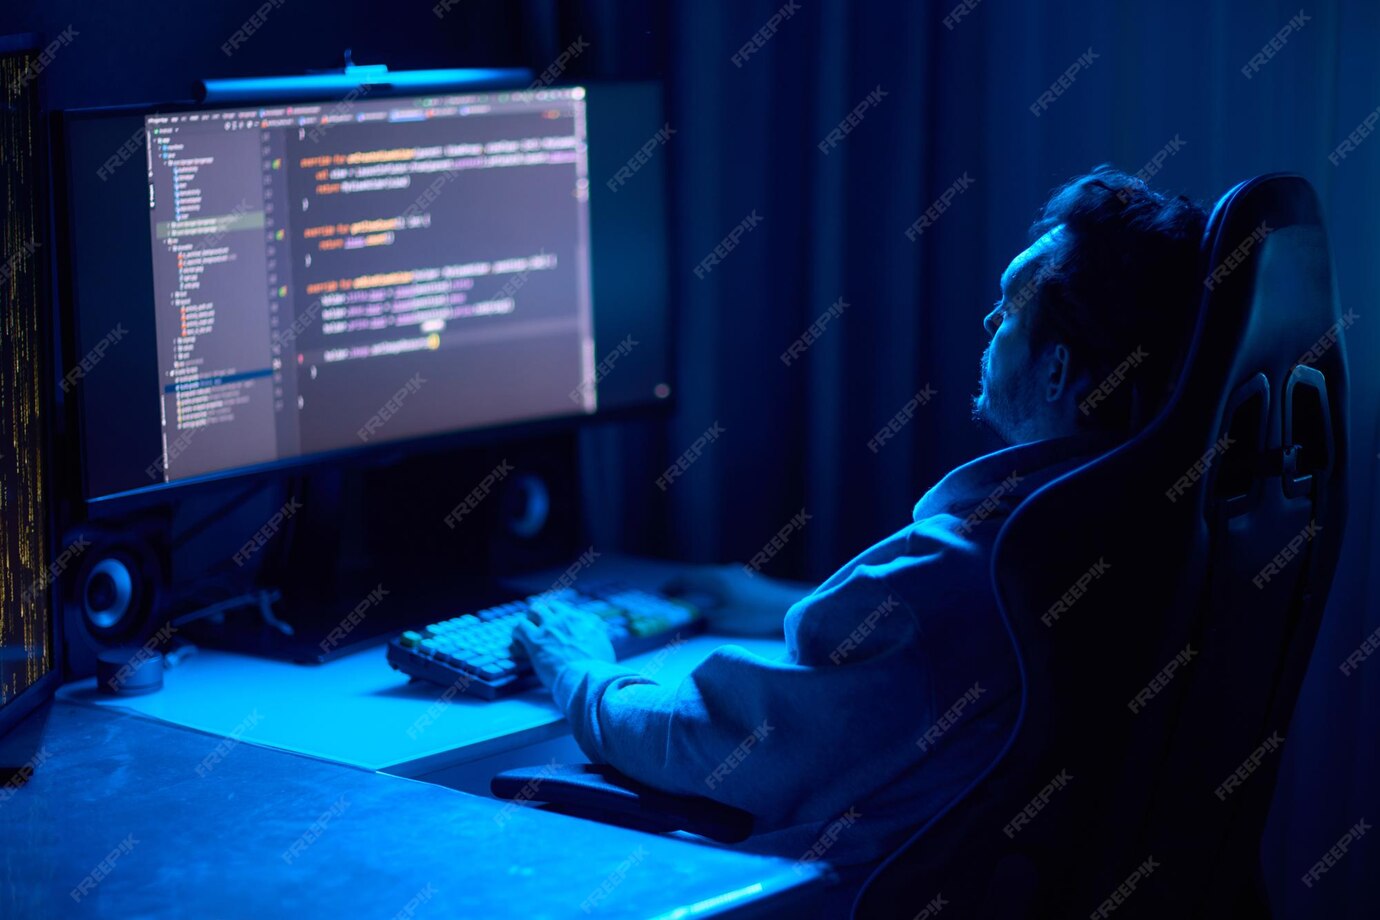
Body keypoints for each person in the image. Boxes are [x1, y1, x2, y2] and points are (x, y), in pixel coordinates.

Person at [512, 166, 1208, 868]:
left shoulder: (959, 572)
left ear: (1057, 372)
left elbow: (703, 744)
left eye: (1010, 309)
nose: (989, 322)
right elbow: (940, 655)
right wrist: (793, 605)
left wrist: (579, 669)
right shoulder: (1153, 529)